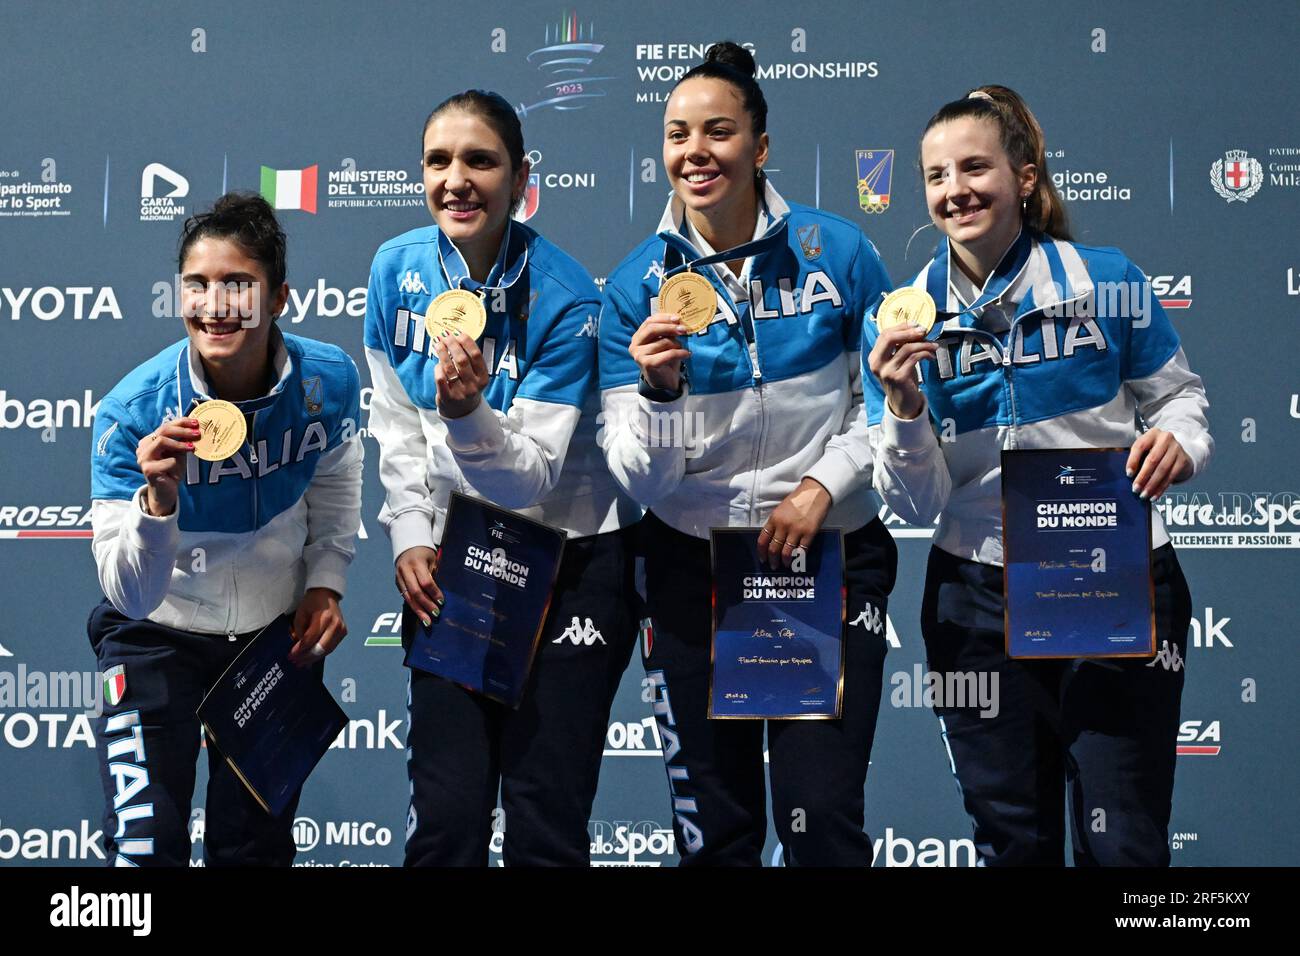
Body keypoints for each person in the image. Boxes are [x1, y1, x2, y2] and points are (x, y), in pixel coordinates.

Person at [864, 85, 1213, 866]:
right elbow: (916, 501)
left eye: (976, 168)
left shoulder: (1106, 280)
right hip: (976, 600)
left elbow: (1182, 400)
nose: (955, 190)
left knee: (1123, 840)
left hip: (1112, 574)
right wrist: (903, 407)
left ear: (1024, 178)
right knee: (1012, 844)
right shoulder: (899, 319)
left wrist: (1180, 445)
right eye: (936, 176)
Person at [598, 42, 897, 867]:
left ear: (760, 148)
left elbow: (891, 413)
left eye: (718, 131)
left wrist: (820, 488)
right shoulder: (635, 286)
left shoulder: (839, 254)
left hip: (827, 556)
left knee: (823, 820)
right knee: (716, 835)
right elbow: (640, 480)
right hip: (692, 572)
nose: (694, 152)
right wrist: (660, 398)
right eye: (676, 133)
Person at [364, 89, 641, 867]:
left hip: (572, 561)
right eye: (439, 161)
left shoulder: (568, 296)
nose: (457, 179)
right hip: (458, 560)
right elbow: (395, 422)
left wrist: (466, 413)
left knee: (544, 821)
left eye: (480, 161)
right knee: (447, 817)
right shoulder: (397, 270)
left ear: (521, 178)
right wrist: (411, 534)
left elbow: (532, 477)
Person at [88, 192, 364, 866]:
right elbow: (130, 597)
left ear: (279, 299)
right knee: (144, 848)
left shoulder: (326, 381)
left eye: (238, 285)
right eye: (197, 285)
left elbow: (333, 483)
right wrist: (157, 501)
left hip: (272, 644)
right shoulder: (133, 412)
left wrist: (325, 583)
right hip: (156, 638)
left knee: (256, 851)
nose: (215, 305)